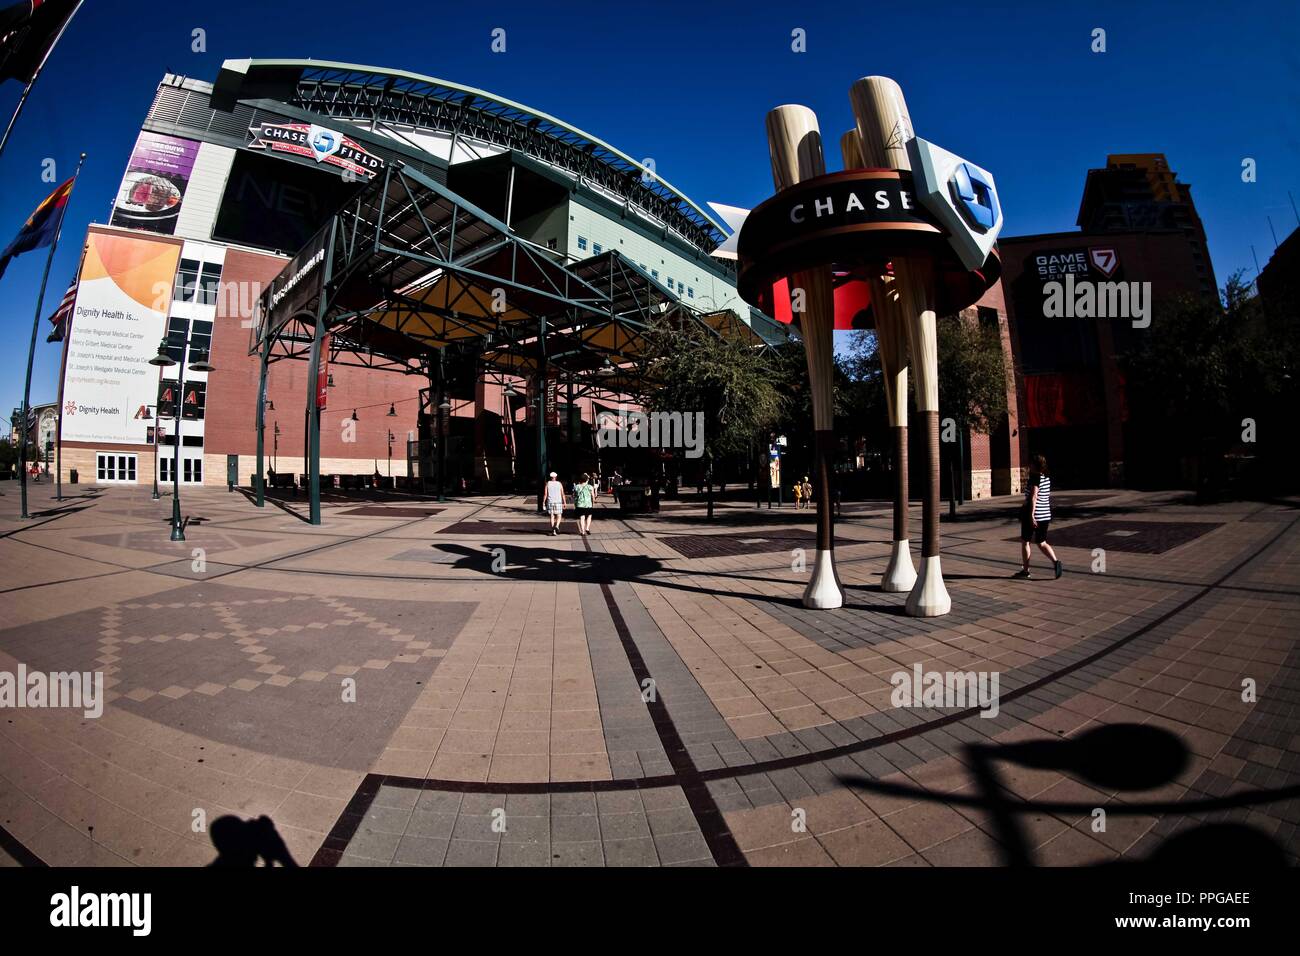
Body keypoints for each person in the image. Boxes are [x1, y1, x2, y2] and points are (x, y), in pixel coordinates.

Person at [1015, 454, 1062, 579]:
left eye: (1030, 463)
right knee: (1042, 542)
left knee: (1025, 542)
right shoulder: (1046, 478)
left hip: (1033, 515)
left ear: (1034, 465)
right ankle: (1056, 562)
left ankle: (1025, 571)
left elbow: (1034, 497)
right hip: (1045, 514)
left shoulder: (1034, 478)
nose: (1028, 466)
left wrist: (1031, 515)